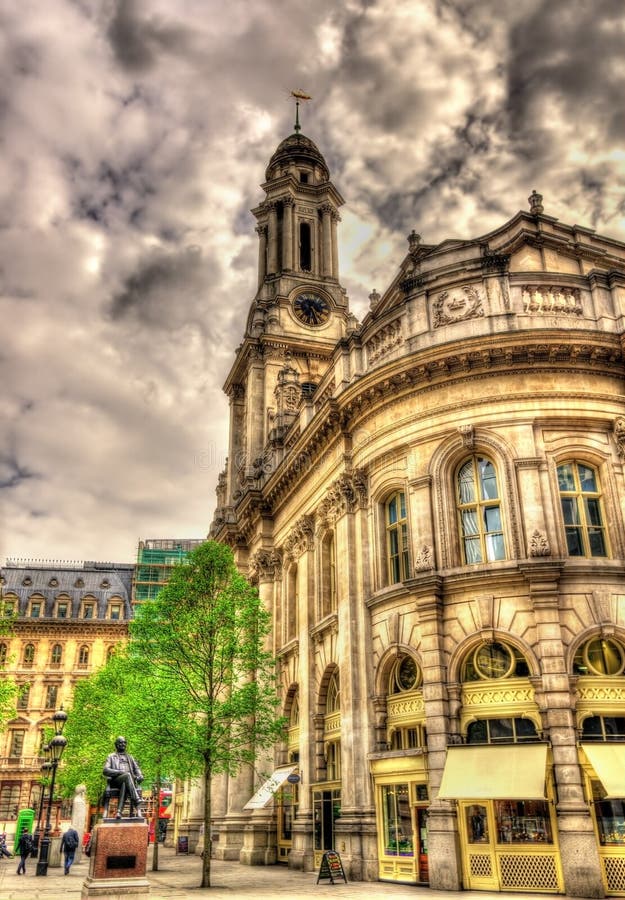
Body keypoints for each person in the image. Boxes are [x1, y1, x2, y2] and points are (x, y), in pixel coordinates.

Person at [103, 736, 144, 819]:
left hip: (128, 782)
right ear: (116, 744)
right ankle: (136, 800)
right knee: (127, 775)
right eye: (121, 742)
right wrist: (120, 772)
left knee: (125, 783)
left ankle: (119, 812)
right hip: (116, 781)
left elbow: (137, 769)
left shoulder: (130, 757)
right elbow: (105, 770)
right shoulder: (111, 756)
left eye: (124, 742)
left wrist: (140, 775)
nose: (123, 744)